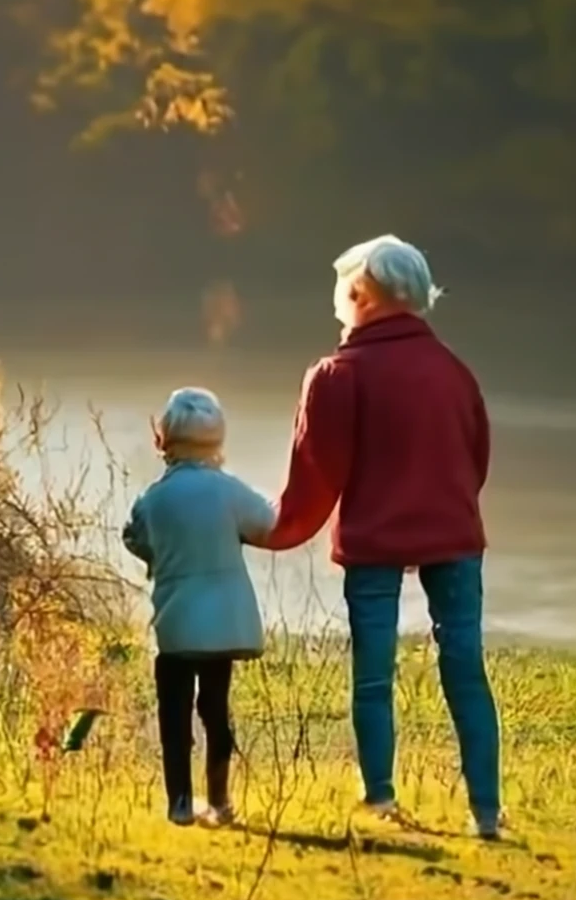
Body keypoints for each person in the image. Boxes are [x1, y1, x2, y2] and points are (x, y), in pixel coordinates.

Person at [260, 234, 501, 838]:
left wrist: (268, 528)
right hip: (454, 533)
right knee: (466, 667)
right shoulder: (454, 372)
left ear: (361, 294)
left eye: (343, 291)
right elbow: (476, 459)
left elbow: (316, 475)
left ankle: (380, 799)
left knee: (373, 674)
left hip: (372, 540)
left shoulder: (338, 375)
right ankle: (487, 811)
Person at [123, 387, 275, 827]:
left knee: (175, 715)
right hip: (223, 628)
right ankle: (221, 801)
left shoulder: (153, 500)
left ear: (163, 440)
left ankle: (180, 805)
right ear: (218, 440)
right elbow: (267, 522)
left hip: (175, 627)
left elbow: (136, 539)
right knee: (215, 710)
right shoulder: (230, 492)